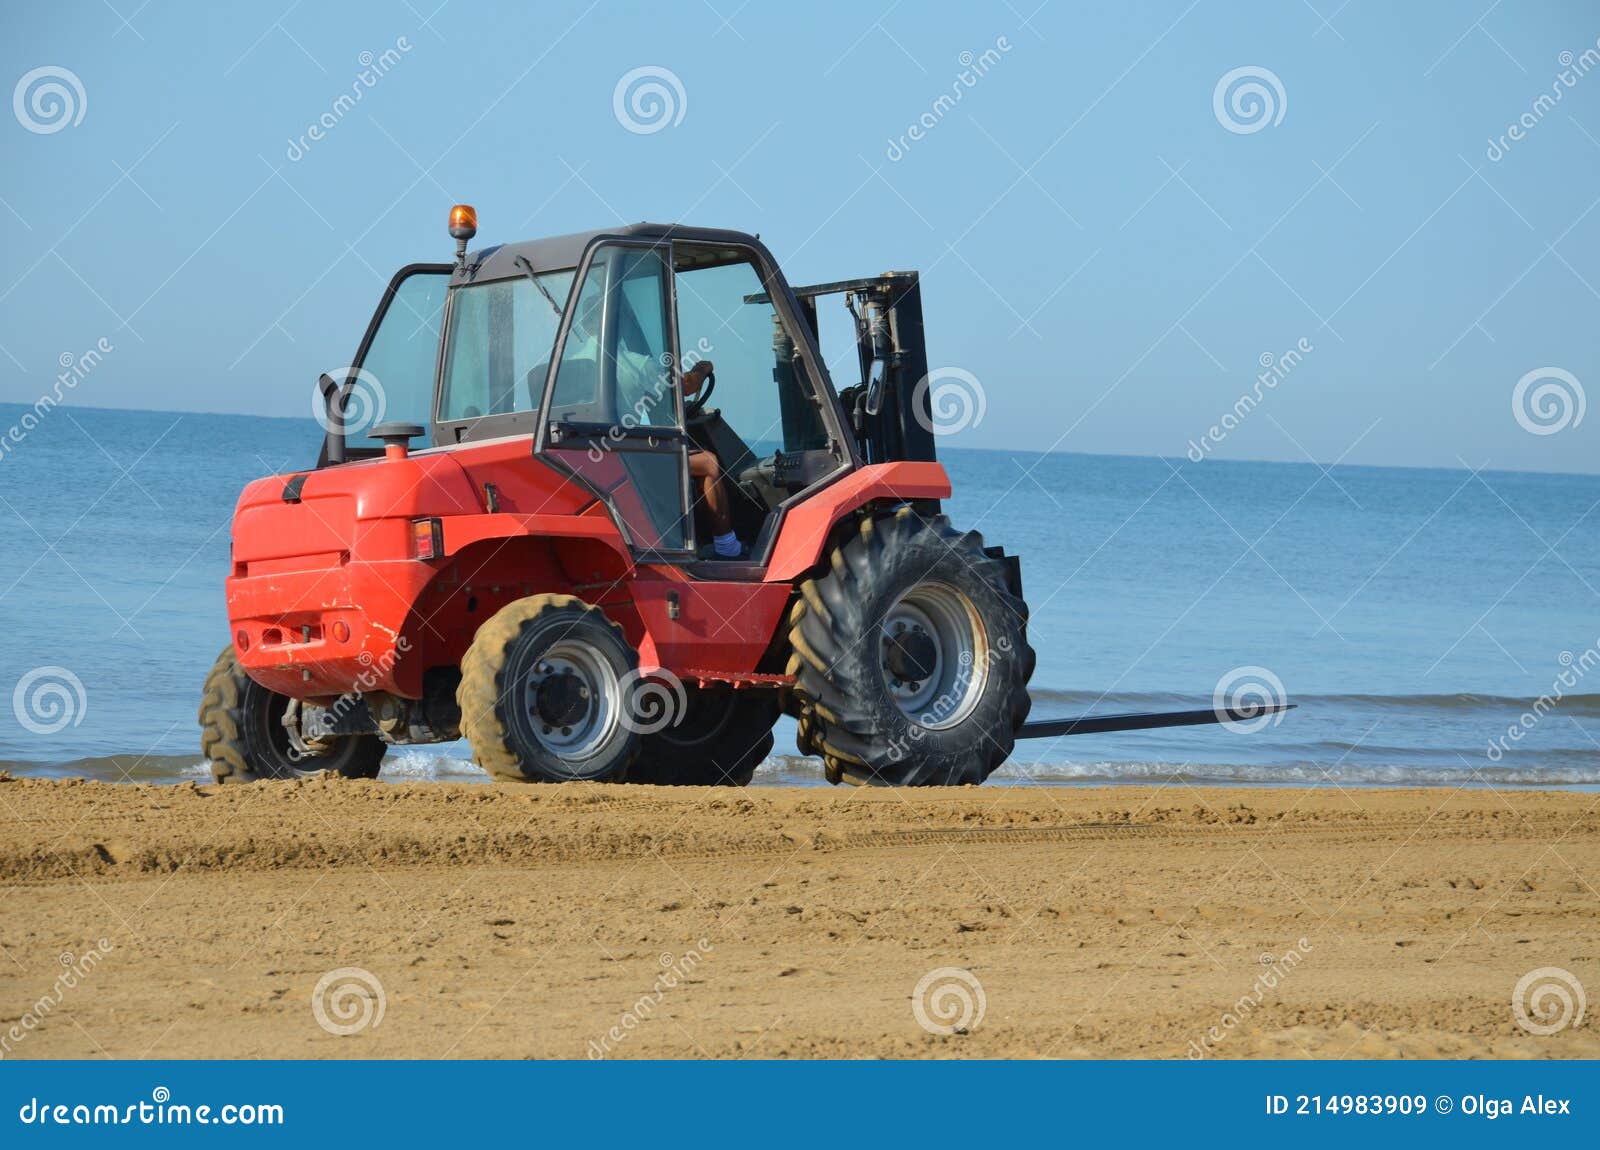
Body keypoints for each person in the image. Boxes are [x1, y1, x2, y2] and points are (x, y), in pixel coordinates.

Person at [682, 360, 743, 559]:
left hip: (622, 448)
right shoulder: (634, 363)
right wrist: (703, 368)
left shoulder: (588, 361)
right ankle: (727, 546)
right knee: (708, 462)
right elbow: (687, 386)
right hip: (634, 453)